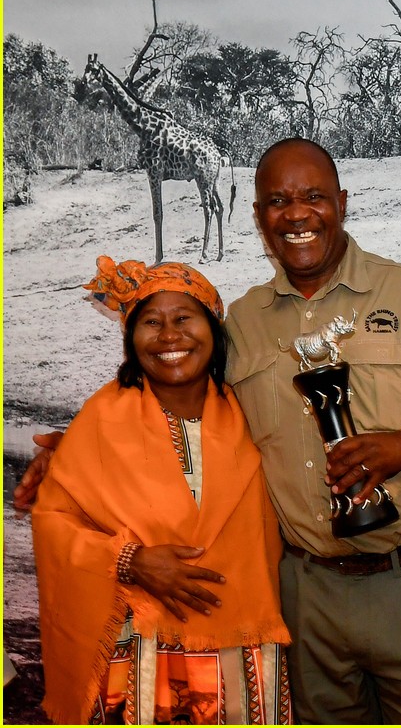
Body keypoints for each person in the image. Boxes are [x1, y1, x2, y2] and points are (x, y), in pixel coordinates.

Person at [23, 138, 401, 723]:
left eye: (313, 197)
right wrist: (72, 454)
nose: (296, 214)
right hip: (300, 595)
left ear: (342, 202)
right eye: (277, 200)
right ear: (258, 218)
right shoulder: (244, 322)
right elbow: (182, 407)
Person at [32, 257, 291, 724]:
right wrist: (130, 560)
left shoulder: (252, 412)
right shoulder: (101, 420)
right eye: (151, 322)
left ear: (214, 330)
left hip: (241, 646)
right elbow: (53, 519)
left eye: (184, 318)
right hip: (135, 653)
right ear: (131, 339)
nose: (169, 336)